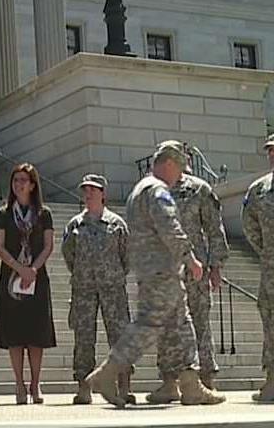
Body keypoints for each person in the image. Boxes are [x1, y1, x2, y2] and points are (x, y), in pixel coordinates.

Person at [87, 141, 225, 407]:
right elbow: (169, 226)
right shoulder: (157, 190)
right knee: (147, 327)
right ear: (170, 164)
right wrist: (190, 258)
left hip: (152, 269)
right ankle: (108, 372)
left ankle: (190, 384)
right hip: (162, 270)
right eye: (180, 168)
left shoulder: (139, 190)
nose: (181, 176)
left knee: (182, 326)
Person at [148, 142, 230, 402]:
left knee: (200, 323)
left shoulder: (199, 189)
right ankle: (169, 383)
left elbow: (214, 229)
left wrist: (216, 266)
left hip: (195, 270)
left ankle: (205, 379)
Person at [62, 174, 134, 405]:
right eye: (86, 189)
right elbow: (68, 254)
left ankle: (124, 385)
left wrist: (112, 275)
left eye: (93, 189)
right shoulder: (75, 224)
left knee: (120, 336)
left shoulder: (117, 224)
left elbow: (127, 256)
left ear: (103, 193)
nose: (89, 193)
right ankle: (84, 386)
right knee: (83, 337)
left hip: (112, 288)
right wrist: (84, 273)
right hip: (83, 288)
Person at [0, 163, 56, 405]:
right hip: (11, 278)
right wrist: (19, 269)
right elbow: (0, 246)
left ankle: (35, 383)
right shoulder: (3, 213)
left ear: (32, 185)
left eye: (23, 180)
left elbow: (49, 245)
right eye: (15, 180)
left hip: (36, 278)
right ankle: (18, 384)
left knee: (36, 333)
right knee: (15, 333)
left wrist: (33, 270)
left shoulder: (44, 213)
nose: (18, 184)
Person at [241, 133, 274, 402]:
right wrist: (266, 252)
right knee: (271, 323)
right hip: (271, 270)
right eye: (270, 151)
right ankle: (272, 379)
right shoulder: (259, 190)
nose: (272, 154)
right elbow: (249, 225)